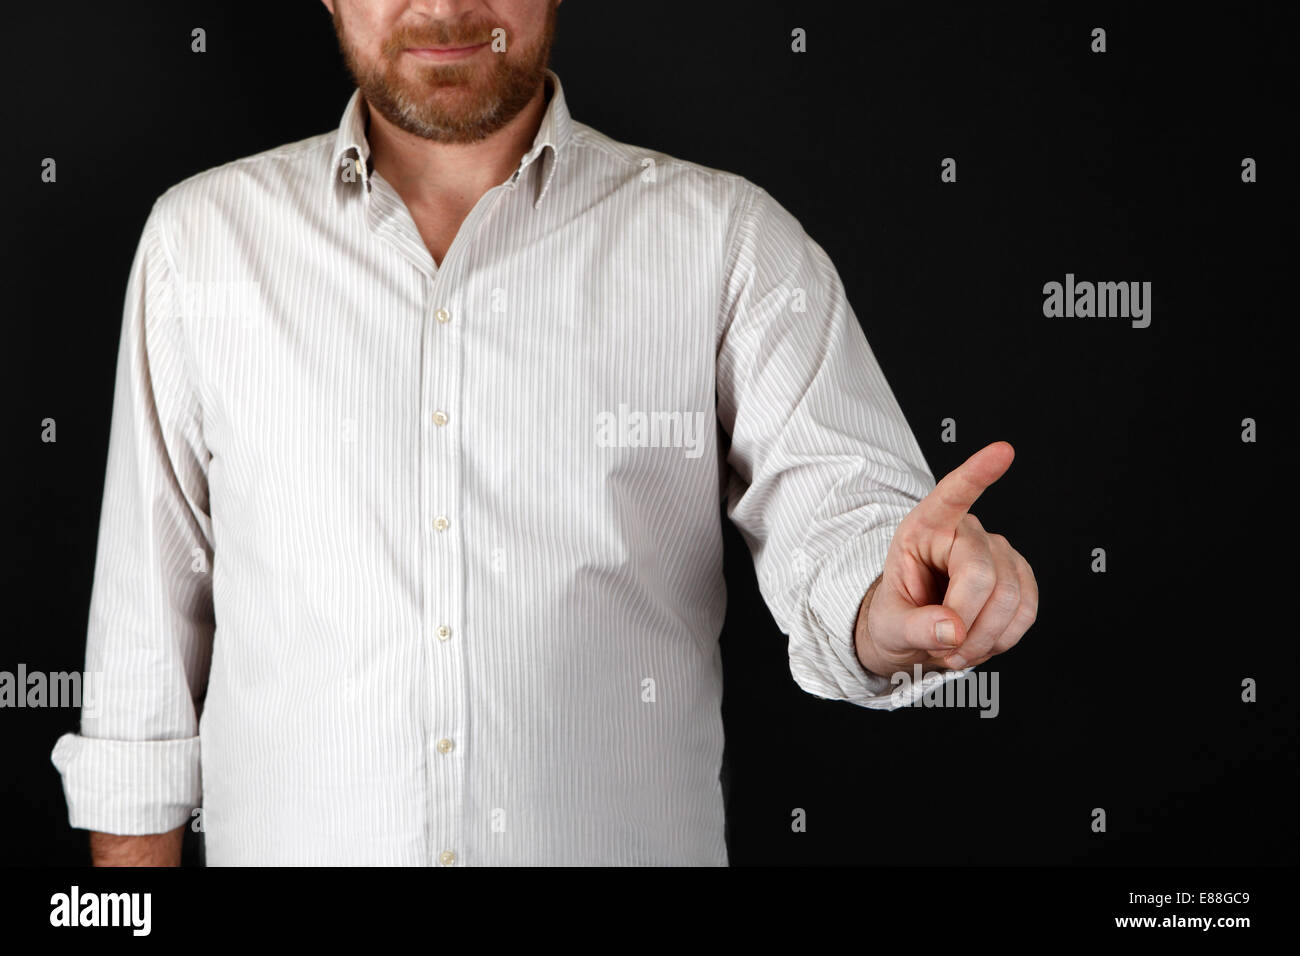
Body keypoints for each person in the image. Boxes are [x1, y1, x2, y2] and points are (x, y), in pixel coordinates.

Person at [52, 0, 1037, 866]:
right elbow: (144, 642)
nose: (444, 7)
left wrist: (896, 596)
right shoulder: (203, 241)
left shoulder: (723, 241)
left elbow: (845, 527)